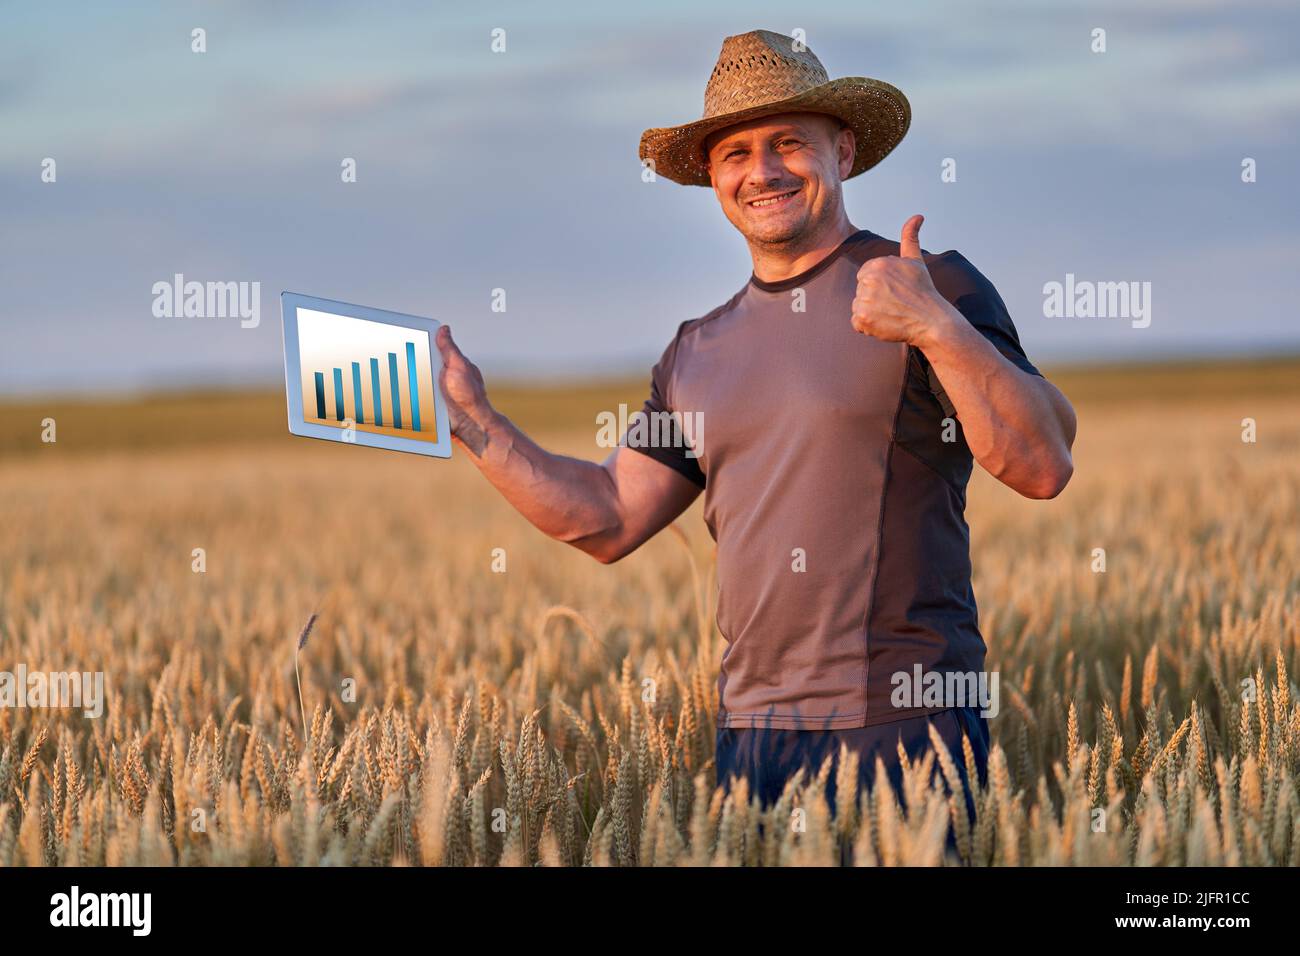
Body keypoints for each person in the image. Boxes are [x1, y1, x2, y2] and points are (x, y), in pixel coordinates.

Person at [434, 29, 1076, 825]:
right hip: (753, 741)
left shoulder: (928, 283)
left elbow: (1043, 463)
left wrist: (938, 329)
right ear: (712, 176)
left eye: (787, 145)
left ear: (843, 151)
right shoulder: (696, 349)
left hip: (903, 723)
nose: (762, 171)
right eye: (735, 153)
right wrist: (473, 422)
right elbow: (606, 516)